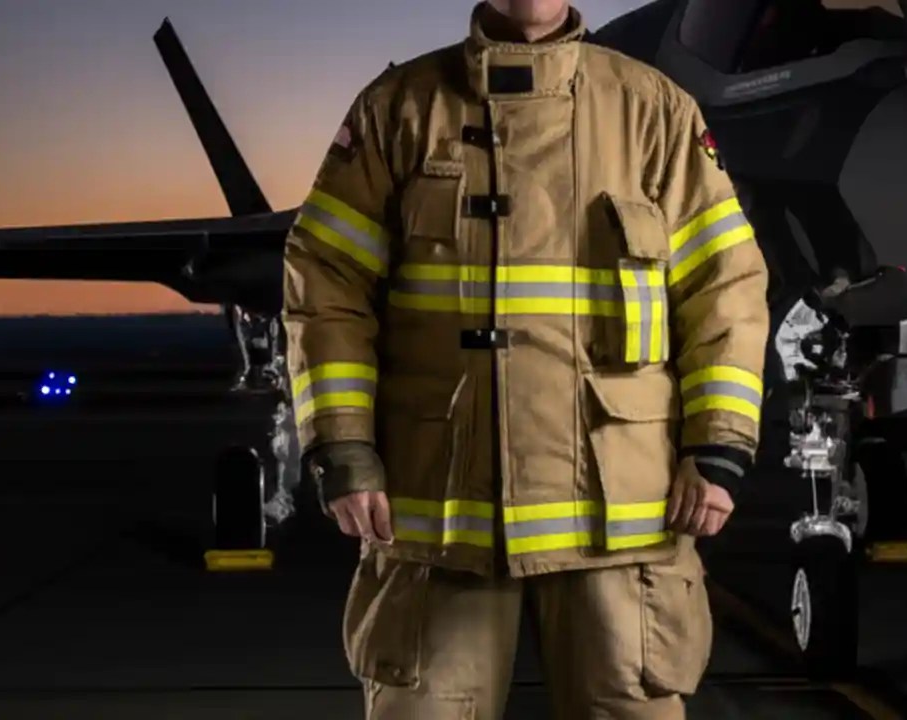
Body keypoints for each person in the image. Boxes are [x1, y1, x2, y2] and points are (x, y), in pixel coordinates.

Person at [281, 1, 769, 717]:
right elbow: (326, 283)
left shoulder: (654, 111)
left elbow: (725, 287)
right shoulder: (398, 109)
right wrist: (343, 444)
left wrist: (718, 444)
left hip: (624, 520)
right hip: (439, 513)